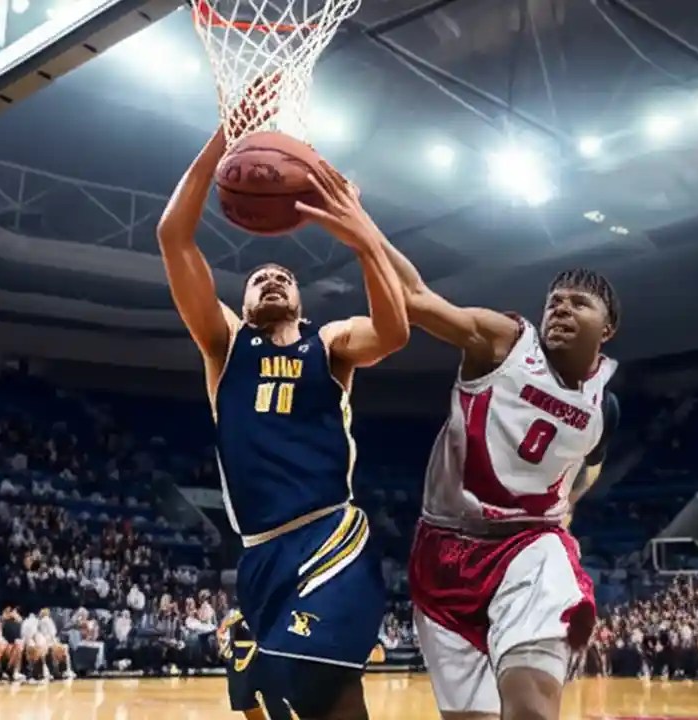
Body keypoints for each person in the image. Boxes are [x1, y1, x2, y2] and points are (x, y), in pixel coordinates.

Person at [156, 125, 409, 719]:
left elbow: (394, 333)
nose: (272, 279)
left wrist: (365, 241)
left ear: (301, 301)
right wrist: (225, 136)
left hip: (329, 534)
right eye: (258, 279)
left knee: (311, 682)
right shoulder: (224, 346)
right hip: (260, 554)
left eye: (284, 278)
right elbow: (173, 236)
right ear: (241, 305)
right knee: (291, 706)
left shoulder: (330, 343)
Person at [385, 244, 619, 719]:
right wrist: (352, 221)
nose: (562, 309)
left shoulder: (602, 407)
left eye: (579, 303)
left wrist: (570, 500)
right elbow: (415, 298)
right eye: (555, 301)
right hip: (444, 550)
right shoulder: (508, 345)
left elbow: (591, 463)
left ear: (607, 328)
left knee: (530, 707)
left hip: (526, 545)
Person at [219, 608, 293, 720]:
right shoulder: (235, 615)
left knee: (275, 702)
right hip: (242, 654)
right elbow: (222, 632)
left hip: (268, 652)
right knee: (243, 699)